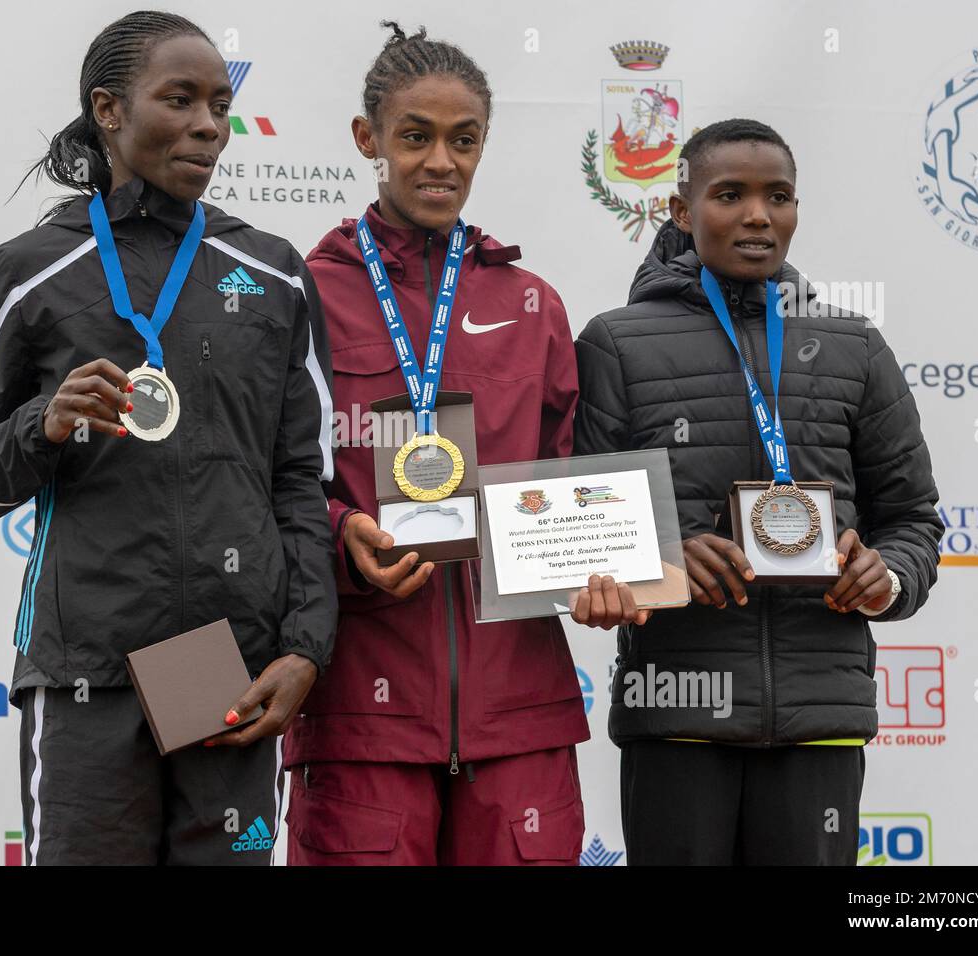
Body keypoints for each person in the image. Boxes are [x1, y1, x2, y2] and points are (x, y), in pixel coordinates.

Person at [0, 11, 337, 865]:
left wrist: (304, 648)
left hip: (229, 665)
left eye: (220, 105)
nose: (208, 126)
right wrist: (44, 423)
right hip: (88, 667)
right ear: (109, 110)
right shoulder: (30, 269)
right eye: (179, 99)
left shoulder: (272, 272)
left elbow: (302, 479)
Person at [281, 22, 644, 867]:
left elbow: (568, 476)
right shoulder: (302, 293)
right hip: (359, 708)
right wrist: (341, 536)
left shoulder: (532, 304)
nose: (440, 161)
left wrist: (605, 571)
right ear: (367, 140)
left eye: (463, 139)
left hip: (520, 709)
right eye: (415, 136)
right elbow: (274, 475)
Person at [574, 118, 944, 865]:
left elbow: (910, 518)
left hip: (821, 719)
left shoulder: (854, 344)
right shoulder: (616, 343)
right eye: (729, 194)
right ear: (681, 211)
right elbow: (585, 529)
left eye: (779, 196)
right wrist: (667, 558)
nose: (757, 215)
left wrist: (889, 576)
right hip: (676, 714)